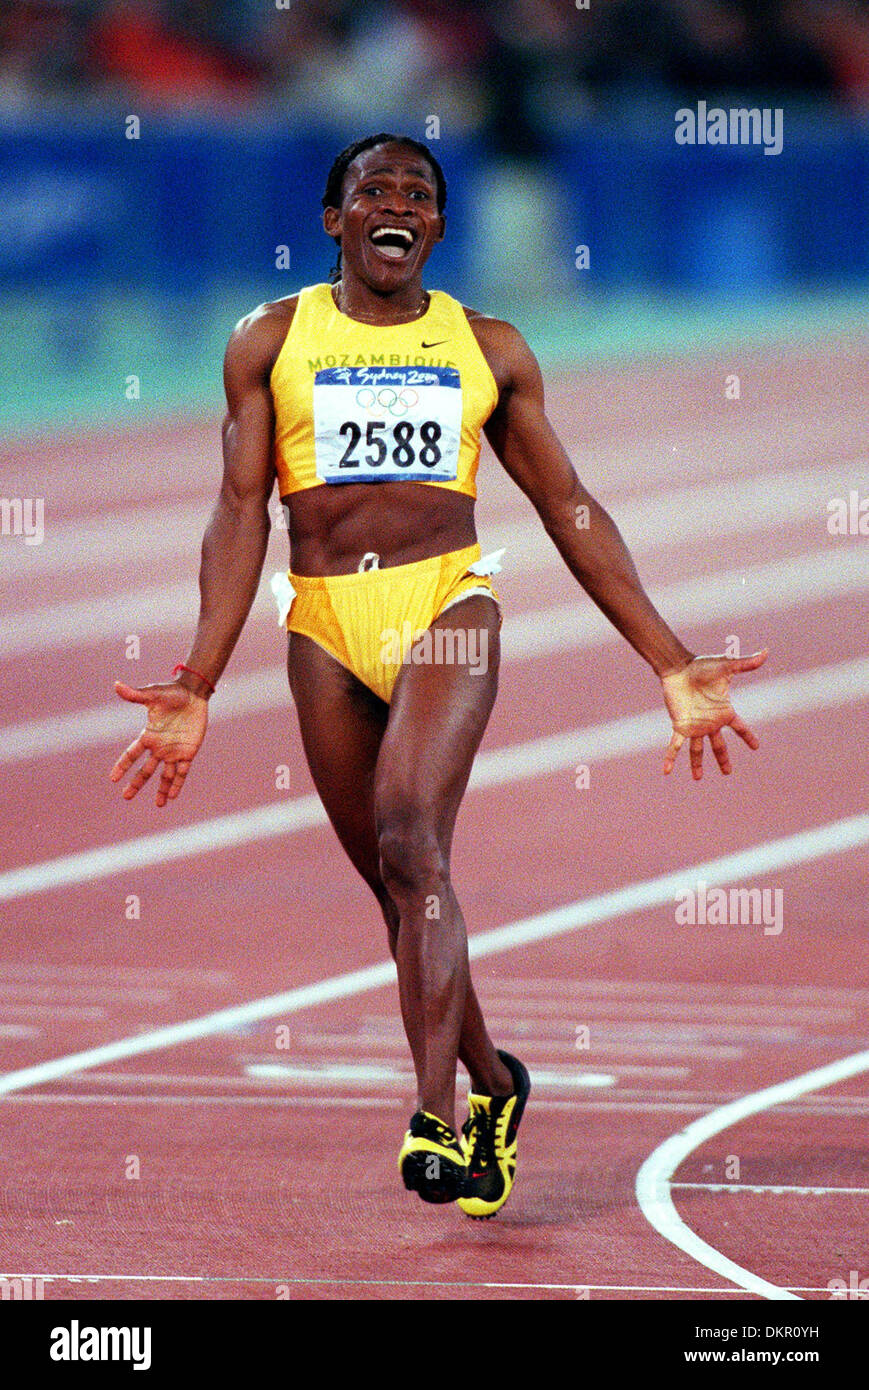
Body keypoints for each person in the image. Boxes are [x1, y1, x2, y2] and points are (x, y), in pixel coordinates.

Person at [110, 132, 767, 1218]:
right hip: (321, 621)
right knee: (396, 881)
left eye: (417, 192)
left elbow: (568, 505)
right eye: (373, 188)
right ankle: (498, 1083)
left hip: (444, 606)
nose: (395, 202)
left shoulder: (489, 346)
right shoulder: (268, 341)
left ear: (438, 228)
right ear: (334, 220)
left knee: (413, 836)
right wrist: (199, 677)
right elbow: (239, 511)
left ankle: (435, 1118)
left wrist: (666, 653)